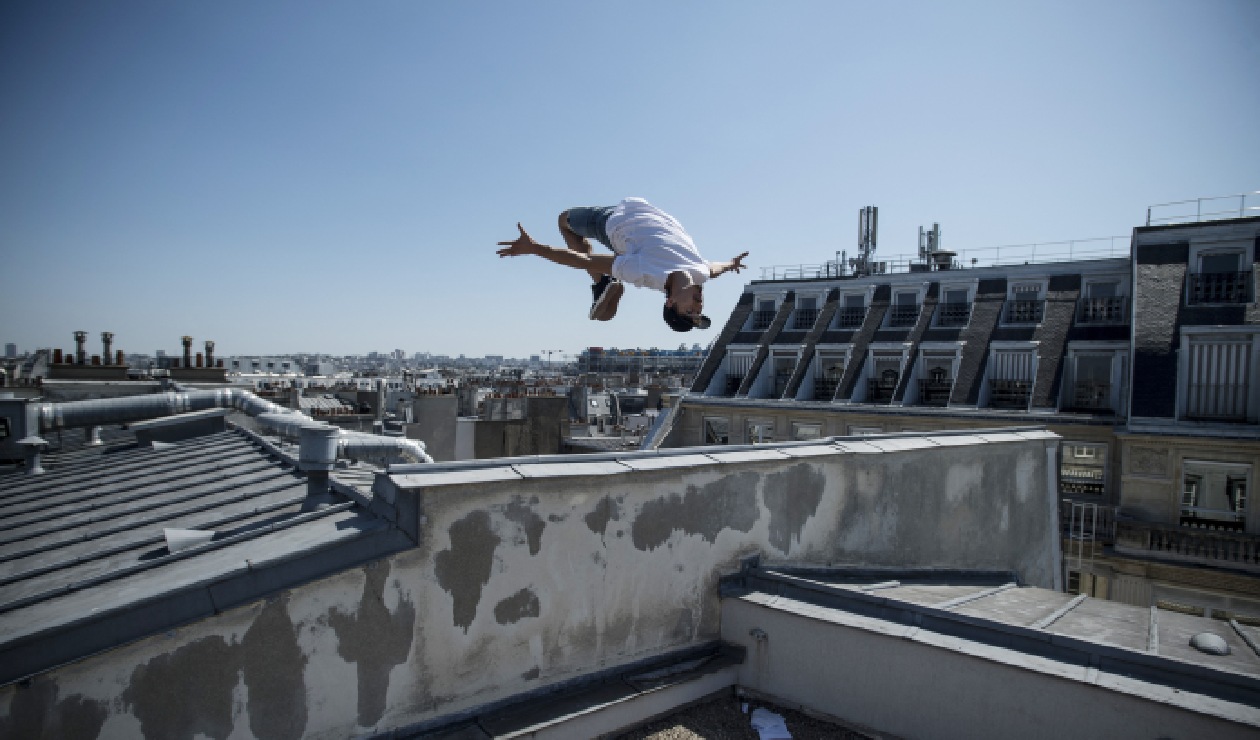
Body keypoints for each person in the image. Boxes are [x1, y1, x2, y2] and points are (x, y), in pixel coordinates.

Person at [496, 197, 749, 331]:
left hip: (613, 222)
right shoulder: (701, 273)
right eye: (699, 310)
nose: (698, 305)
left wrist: (535, 248)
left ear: (670, 302)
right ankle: (602, 282)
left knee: (564, 220)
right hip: (644, 212)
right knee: (590, 240)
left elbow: (582, 259)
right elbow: (715, 269)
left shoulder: (643, 271)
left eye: (689, 312)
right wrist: (731, 263)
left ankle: (600, 282)